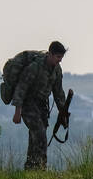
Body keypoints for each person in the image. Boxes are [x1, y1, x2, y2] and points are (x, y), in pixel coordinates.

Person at [8, 41, 68, 170]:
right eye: (58, 57)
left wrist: (62, 112)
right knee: (40, 134)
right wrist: (17, 112)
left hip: (41, 104)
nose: (60, 60)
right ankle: (41, 168)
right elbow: (21, 88)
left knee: (35, 136)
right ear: (50, 54)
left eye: (61, 58)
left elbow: (58, 92)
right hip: (28, 103)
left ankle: (31, 168)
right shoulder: (35, 67)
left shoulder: (57, 70)